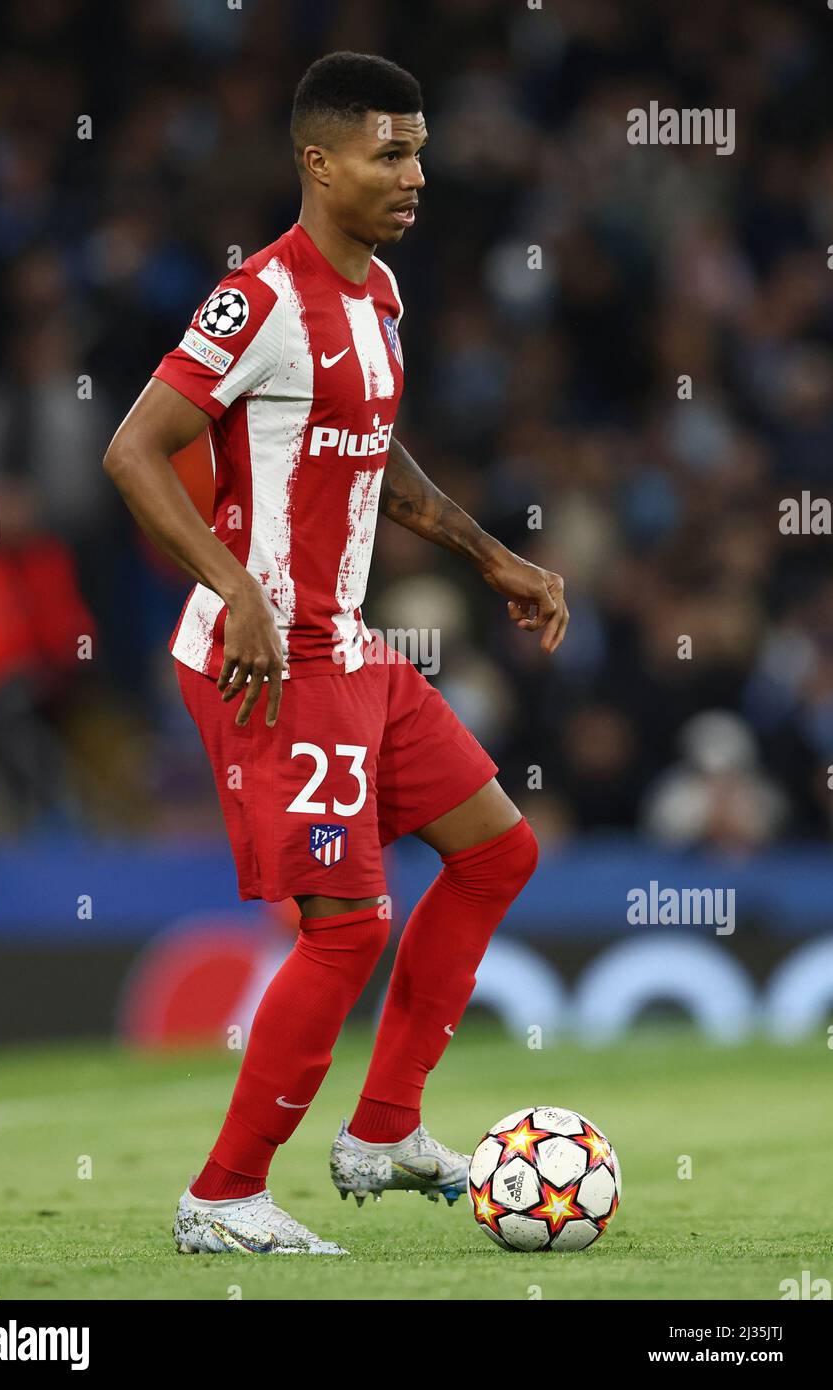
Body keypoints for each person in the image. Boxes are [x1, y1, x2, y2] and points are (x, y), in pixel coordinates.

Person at [103, 51, 568, 1257]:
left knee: (495, 849)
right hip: (262, 662)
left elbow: (372, 449)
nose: (415, 174)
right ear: (319, 162)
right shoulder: (257, 301)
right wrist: (231, 584)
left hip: (349, 650)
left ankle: (383, 1131)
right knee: (349, 923)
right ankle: (220, 1197)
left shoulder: (382, 294)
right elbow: (134, 452)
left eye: (418, 149)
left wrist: (487, 555)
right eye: (389, 152)